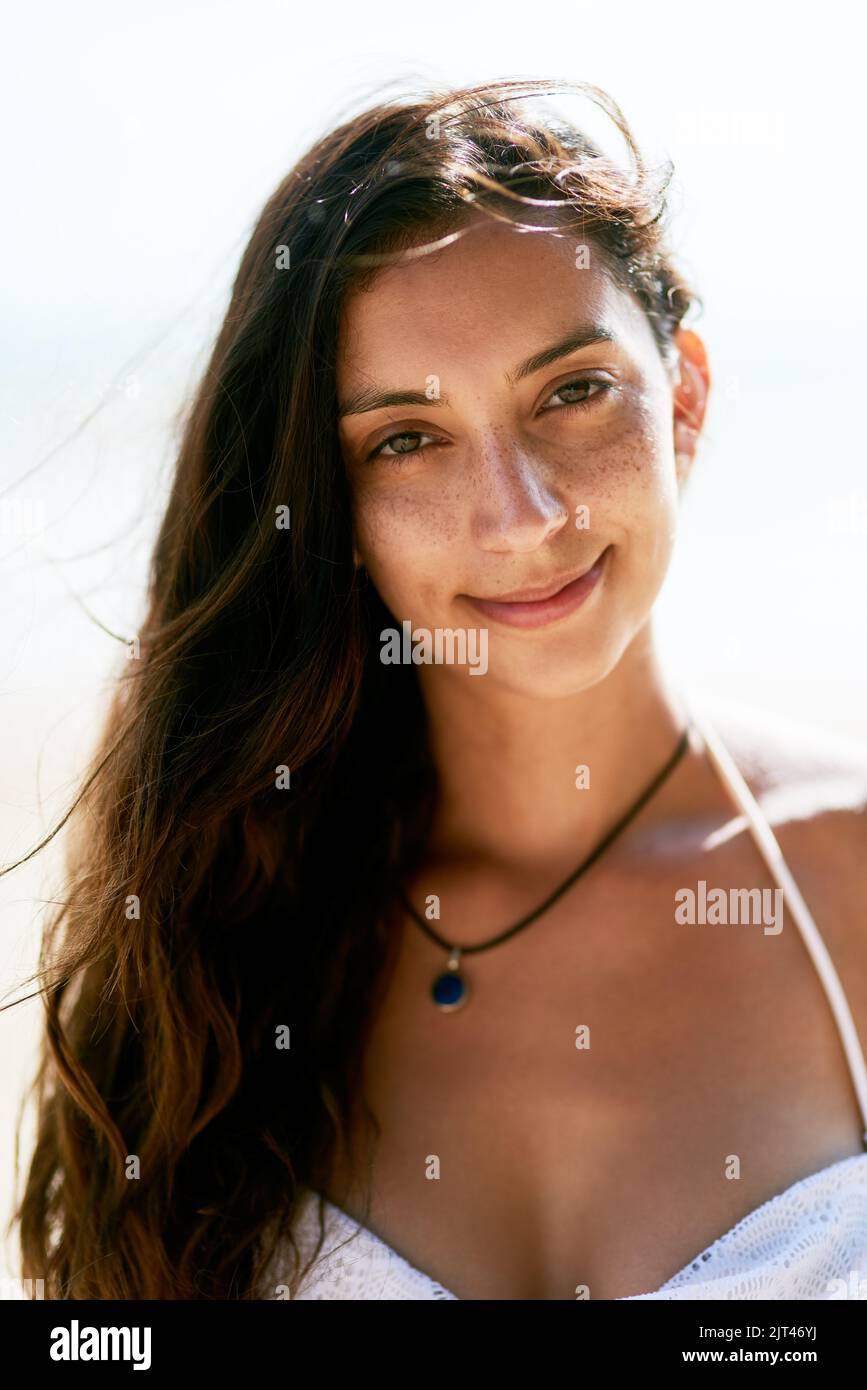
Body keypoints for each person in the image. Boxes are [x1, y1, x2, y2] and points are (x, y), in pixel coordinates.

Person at [9, 78, 867, 1302]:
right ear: (335, 508)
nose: (519, 521)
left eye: (571, 391)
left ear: (682, 396)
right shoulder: (218, 914)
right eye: (408, 438)